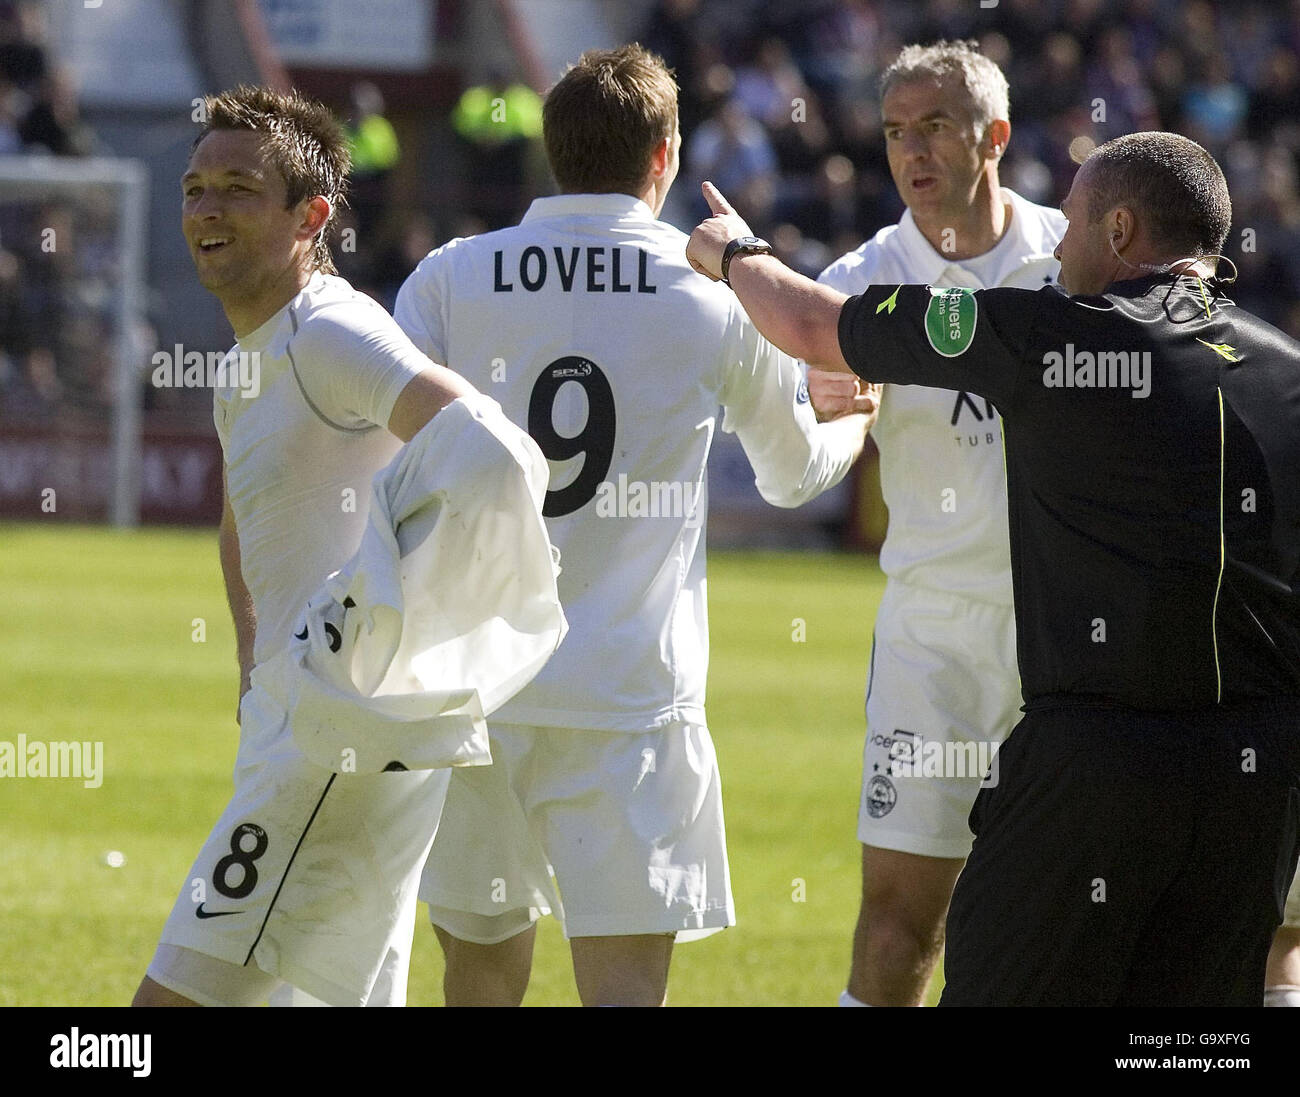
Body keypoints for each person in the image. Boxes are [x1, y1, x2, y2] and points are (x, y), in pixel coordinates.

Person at [686, 130, 1300, 1006]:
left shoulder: (1043, 331)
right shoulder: (1286, 370)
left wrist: (733, 252)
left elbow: (814, 327)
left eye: (1077, 222)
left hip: (1092, 763)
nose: (1057, 245)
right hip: (1258, 771)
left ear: (1120, 231)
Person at [394, 44, 875, 1007]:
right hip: (628, 697)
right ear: (665, 159)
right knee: (624, 993)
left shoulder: (451, 276)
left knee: (478, 976)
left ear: (549, 153)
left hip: (472, 686)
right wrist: (856, 410)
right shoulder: (714, 291)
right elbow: (792, 477)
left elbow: (390, 461)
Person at [132, 85, 558, 1007]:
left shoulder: (332, 328)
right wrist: (258, 671)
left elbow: (491, 455)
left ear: (309, 216)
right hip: (305, 728)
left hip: (334, 744)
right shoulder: (252, 351)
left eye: (241, 189)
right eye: (196, 187)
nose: (208, 209)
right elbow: (243, 520)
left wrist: (370, 647)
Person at [807, 40, 1064, 1008]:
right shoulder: (862, 272)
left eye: (934, 126)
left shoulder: (1071, 256)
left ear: (994, 135)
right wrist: (821, 411)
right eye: (892, 132)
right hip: (932, 637)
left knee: (1060, 920)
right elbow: (811, 454)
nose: (910, 150)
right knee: (897, 920)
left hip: (1067, 632)